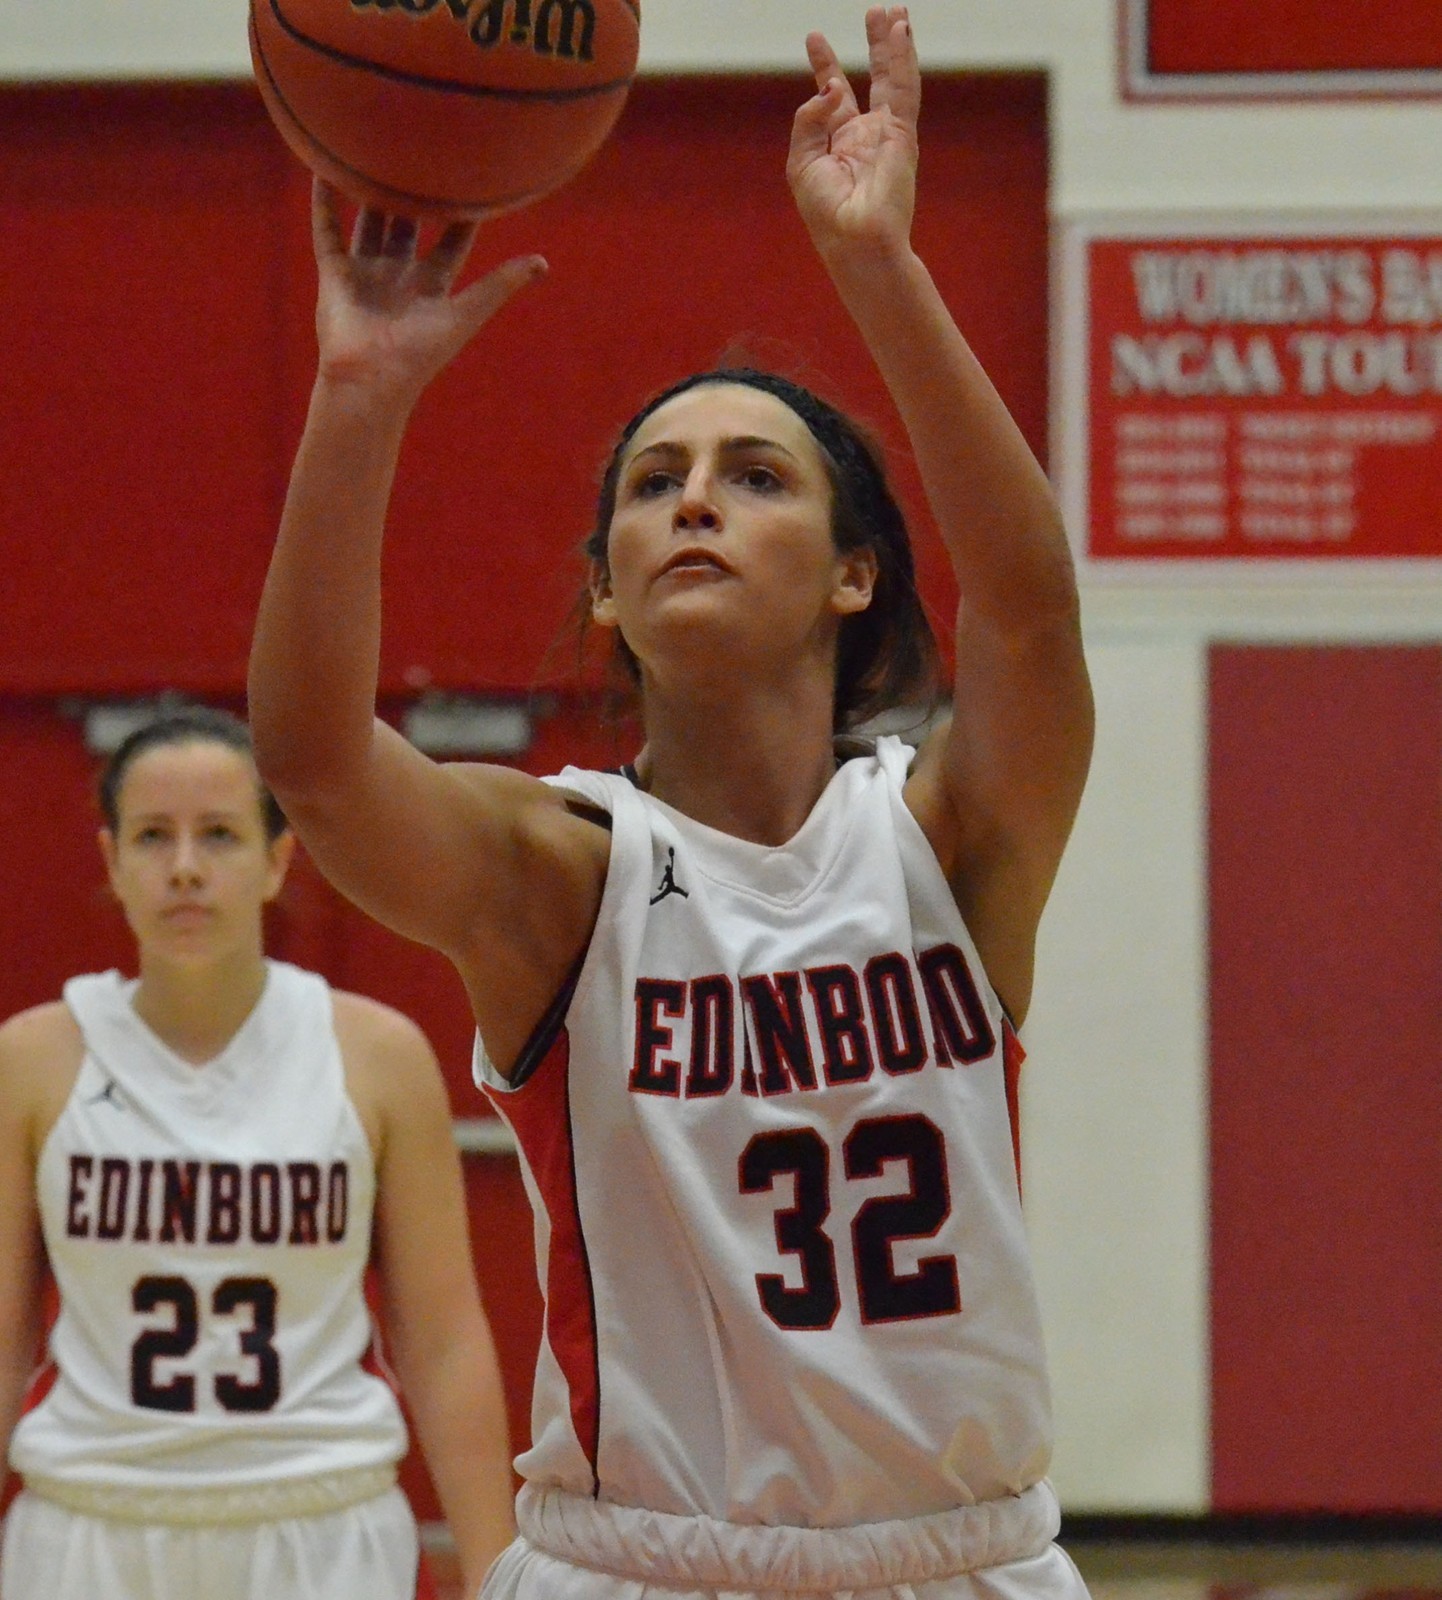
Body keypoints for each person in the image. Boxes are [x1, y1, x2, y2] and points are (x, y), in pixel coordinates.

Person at [248, 7, 1096, 1600]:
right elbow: (311, 757)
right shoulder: (563, 873)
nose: (694, 494)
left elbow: (1035, 615)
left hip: (963, 1561)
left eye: (757, 474)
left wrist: (880, 271)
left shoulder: (945, 844)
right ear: (609, 594)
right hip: (646, 1563)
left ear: (858, 574)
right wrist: (356, 397)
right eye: (652, 483)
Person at [0, 704, 515, 1600]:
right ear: (112, 861)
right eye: (154, 836)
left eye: (222, 835)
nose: (187, 868)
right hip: (89, 1526)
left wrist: (497, 1571)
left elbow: (442, 1343)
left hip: (321, 1526)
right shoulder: (34, 1059)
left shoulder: (377, 1055)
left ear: (277, 860)